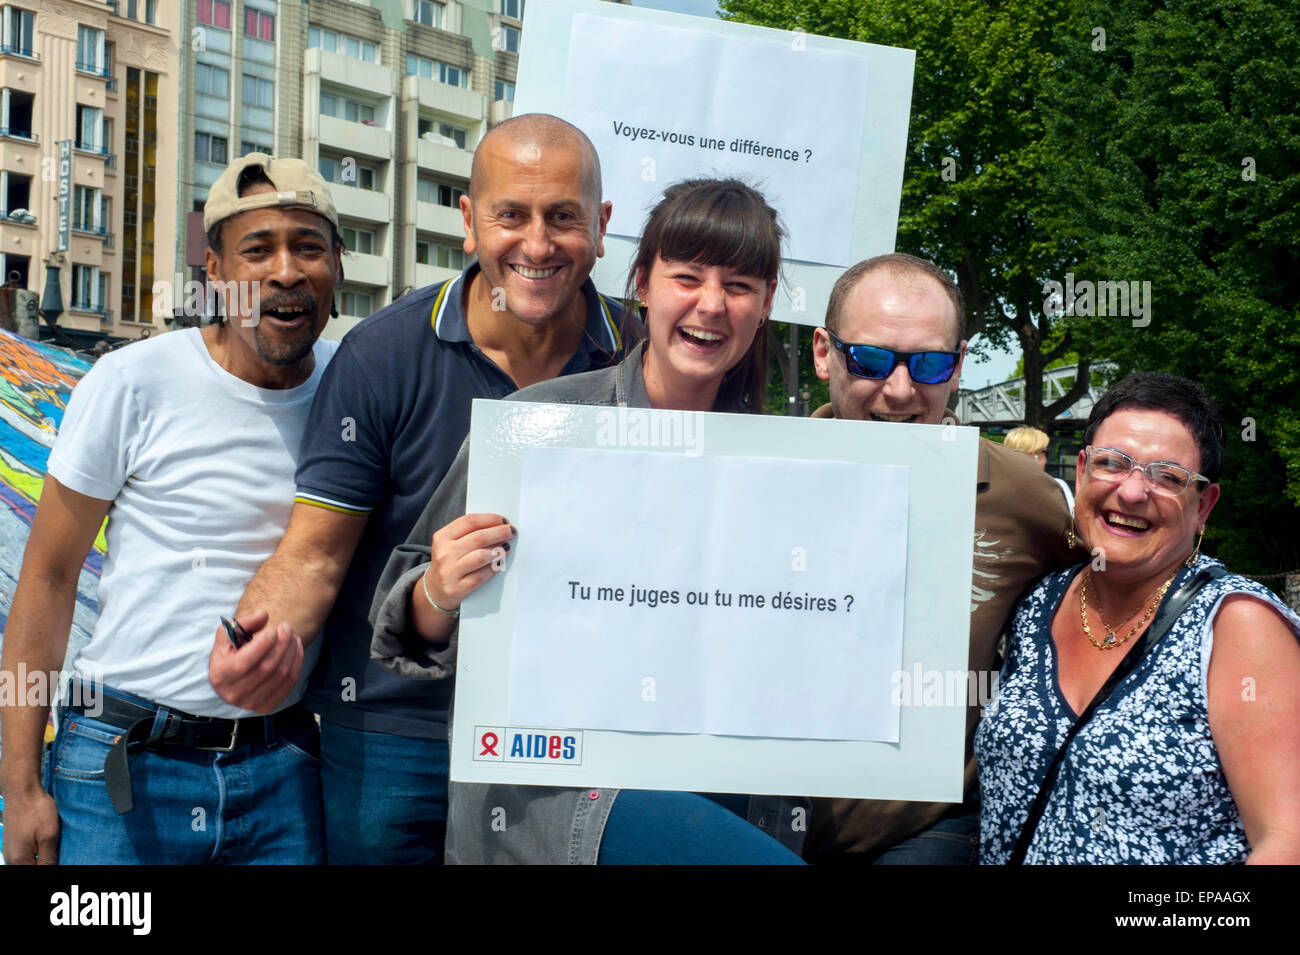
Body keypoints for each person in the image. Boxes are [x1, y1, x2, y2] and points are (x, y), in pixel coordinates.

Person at [209, 114, 631, 864]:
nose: (537, 244)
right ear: (469, 222)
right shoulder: (383, 354)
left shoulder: (644, 358)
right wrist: (260, 637)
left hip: (568, 730)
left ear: (600, 227)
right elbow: (315, 554)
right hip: (388, 726)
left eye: (563, 217)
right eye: (511, 215)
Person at [371, 178, 806, 864]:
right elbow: (402, 628)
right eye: (686, 276)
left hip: (718, 788)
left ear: (769, 303)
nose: (712, 304)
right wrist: (439, 590)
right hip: (556, 800)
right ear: (641, 282)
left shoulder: (788, 468)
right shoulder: (537, 429)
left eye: (741, 285)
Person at [0, 153, 341, 864]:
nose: (285, 270)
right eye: (258, 248)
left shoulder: (358, 389)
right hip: (121, 767)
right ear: (213, 272)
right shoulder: (133, 380)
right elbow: (49, 579)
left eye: (308, 246)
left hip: (285, 770)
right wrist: (21, 784)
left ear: (336, 270)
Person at [803, 253, 1080, 863]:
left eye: (928, 363)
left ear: (956, 367)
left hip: (922, 828)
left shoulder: (1018, 493)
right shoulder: (752, 471)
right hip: (756, 814)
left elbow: (1118, 582)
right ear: (824, 352)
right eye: (871, 359)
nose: (900, 391)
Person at [977, 373, 1300, 864]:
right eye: (1112, 464)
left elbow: (1287, 839)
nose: (1131, 492)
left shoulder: (1236, 623)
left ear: (1204, 506)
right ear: (1082, 470)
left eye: (1167, 476)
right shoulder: (1040, 601)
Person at [1004, 424, 1074, 512]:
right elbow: (1073, 520)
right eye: (1045, 452)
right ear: (1034, 456)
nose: (1046, 458)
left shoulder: (995, 487)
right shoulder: (1056, 486)